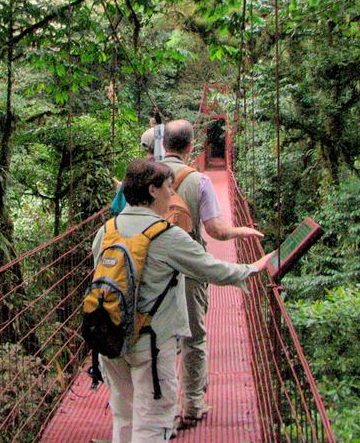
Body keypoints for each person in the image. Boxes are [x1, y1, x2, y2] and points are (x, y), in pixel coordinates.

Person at [92, 159, 273, 443]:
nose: (172, 196)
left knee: (124, 418)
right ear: (153, 191)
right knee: (154, 422)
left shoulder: (107, 229)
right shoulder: (167, 235)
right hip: (150, 344)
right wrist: (252, 268)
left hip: (109, 339)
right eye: (168, 188)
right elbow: (212, 269)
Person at [160, 119, 263, 429]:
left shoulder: (144, 176)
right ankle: (192, 404)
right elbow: (215, 231)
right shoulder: (199, 181)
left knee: (157, 337)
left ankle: (159, 408)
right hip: (190, 269)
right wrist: (240, 230)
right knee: (194, 336)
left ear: (163, 145)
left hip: (151, 266)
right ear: (192, 147)